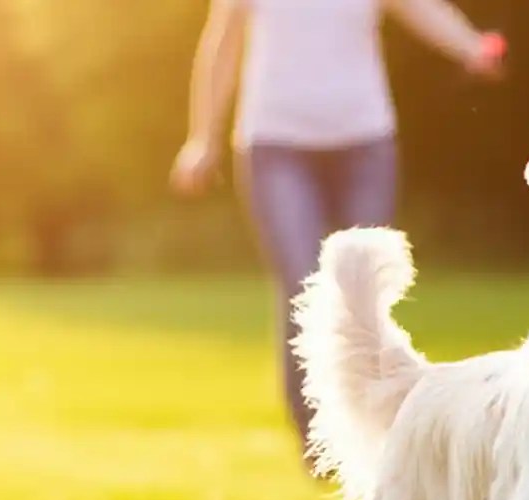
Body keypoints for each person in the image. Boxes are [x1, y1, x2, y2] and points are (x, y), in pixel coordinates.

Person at [172, 0, 503, 472]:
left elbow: (422, 9)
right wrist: (202, 137)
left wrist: (470, 46)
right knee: (303, 282)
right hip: (275, 143)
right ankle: (317, 440)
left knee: (361, 289)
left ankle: (372, 426)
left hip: (364, 142)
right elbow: (221, 44)